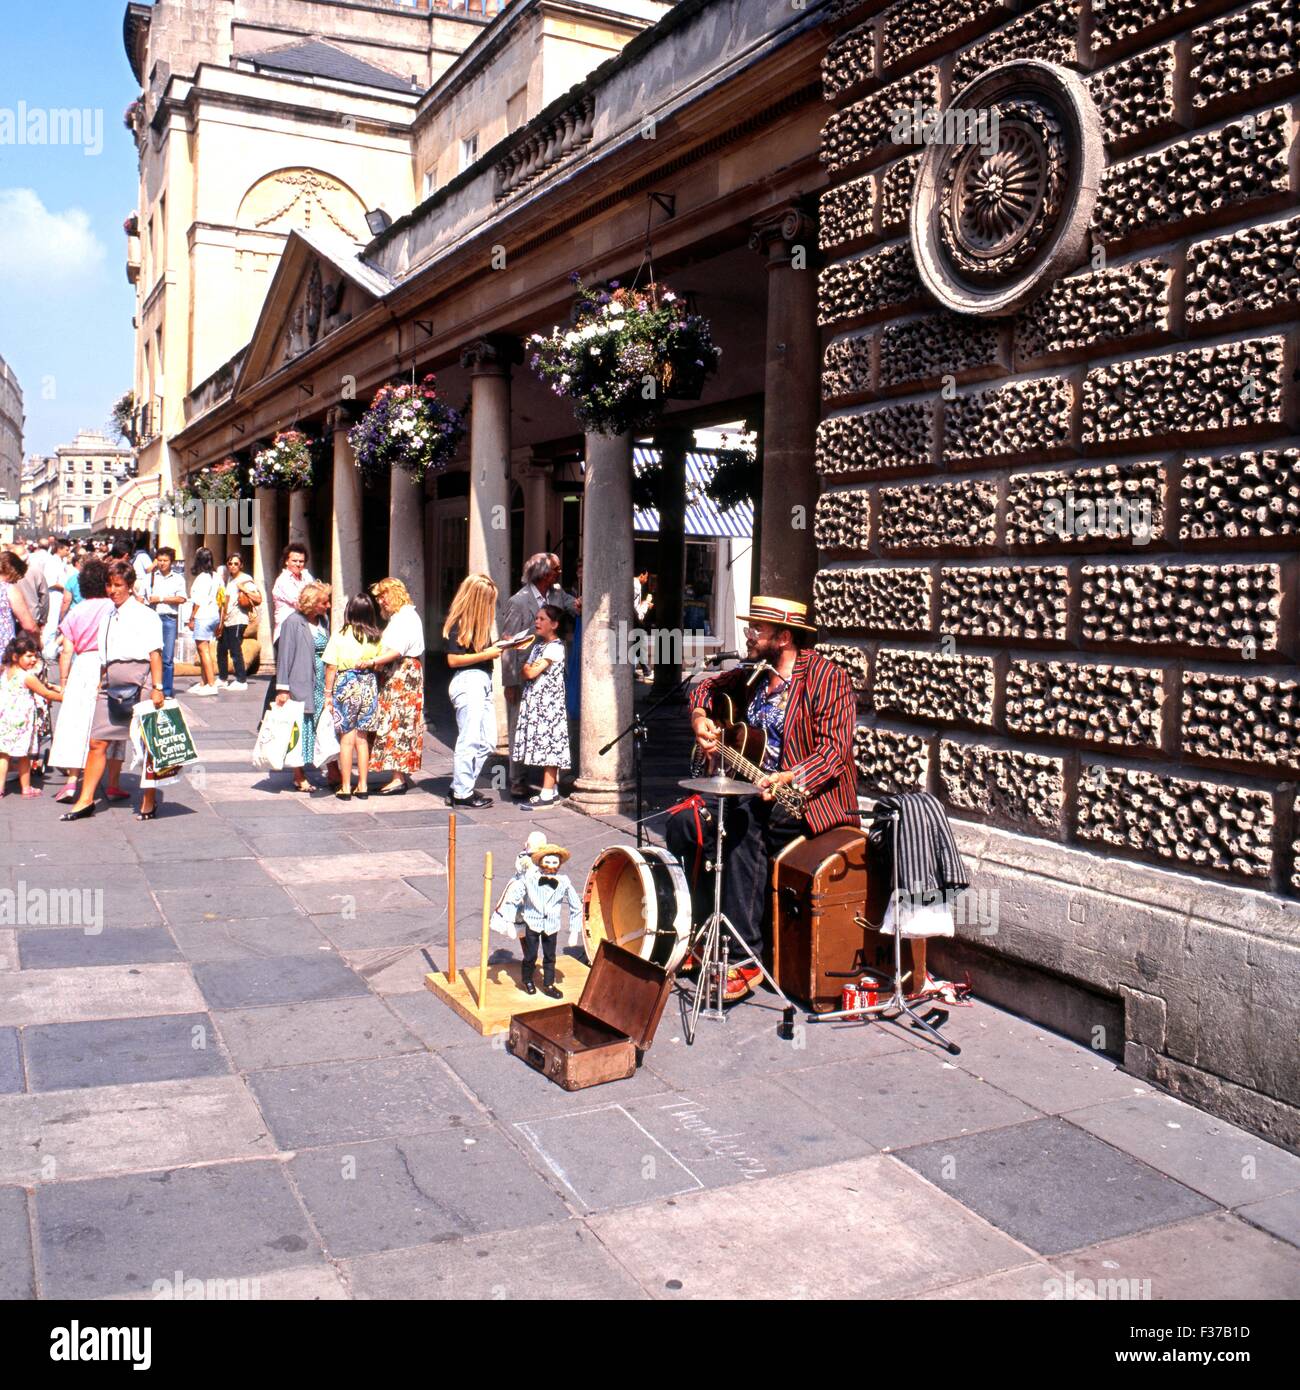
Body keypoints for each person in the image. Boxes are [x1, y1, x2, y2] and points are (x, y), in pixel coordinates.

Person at [683, 596, 858, 1002]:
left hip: (810, 801)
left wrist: (792, 778)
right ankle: (700, 933)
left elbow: (836, 750)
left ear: (782, 637)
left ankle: (745, 960)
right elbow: (705, 688)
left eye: (756, 630)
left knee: (741, 825)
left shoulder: (826, 677)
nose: (748, 635)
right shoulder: (755, 675)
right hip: (754, 788)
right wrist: (700, 720)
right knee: (687, 822)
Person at [59, 559, 166, 822]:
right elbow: (105, 653)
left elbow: (155, 653)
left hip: (140, 679)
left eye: (118, 585)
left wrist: (158, 688)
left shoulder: (146, 614)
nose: (113, 590)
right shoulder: (107, 615)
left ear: (129, 585)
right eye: (109, 585)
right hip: (110, 681)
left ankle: (149, 799)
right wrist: (101, 679)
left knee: (147, 743)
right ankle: (86, 800)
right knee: (97, 741)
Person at [500, 552, 577, 798]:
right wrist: (510, 680)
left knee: (550, 724)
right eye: (556, 569)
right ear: (543, 572)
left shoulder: (556, 593)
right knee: (518, 724)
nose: (559, 573)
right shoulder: (519, 601)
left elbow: (573, 606)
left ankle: (552, 777)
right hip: (525, 669)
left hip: (550, 668)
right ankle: (517, 778)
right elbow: (508, 642)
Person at [49, 558, 116, 805]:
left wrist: (64, 681)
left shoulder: (76, 611)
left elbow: (66, 651)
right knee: (103, 723)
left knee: (76, 723)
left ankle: (70, 782)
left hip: (81, 667)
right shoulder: (112, 607)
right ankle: (109, 781)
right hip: (107, 666)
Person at [442, 573, 508, 809]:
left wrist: (500, 645)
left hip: (481, 682)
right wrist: (487, 654)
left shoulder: (478, 625)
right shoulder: (460, 622)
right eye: (489, 601)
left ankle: (461, 785)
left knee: (488, 741)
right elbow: (453, 660)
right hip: (469, 682)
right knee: (469, 740)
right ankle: (462, 793)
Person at [491, 841, 582, 998]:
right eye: (548, 861)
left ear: (559, 864)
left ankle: (549, 984)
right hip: (533, 923)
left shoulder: (564, 882)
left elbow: (576, 906)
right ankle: (527, 980)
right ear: (540, 862)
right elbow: (513, 899)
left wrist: (574, 930)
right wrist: (509, 921)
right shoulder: (529, 880)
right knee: (531, 955)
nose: (551, 865)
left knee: (550, 956)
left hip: (552, 926)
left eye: (555, 862)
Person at [367, 578, 426, 795]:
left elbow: (397, 650)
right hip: (400, 671)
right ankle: (397, 773)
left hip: (402, 672)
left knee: (398, 722)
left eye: (383, 596)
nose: (380, 601)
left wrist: (372, 662)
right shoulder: (401, 616)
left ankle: (398, 777)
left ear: (393, 594)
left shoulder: (404, 617)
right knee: (396, 721)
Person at [322, 592, 383, 801]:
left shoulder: (340, 635)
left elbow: (331, 666)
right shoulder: (376, 636)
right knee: (363, 739)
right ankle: (363, 785)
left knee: (346, 739)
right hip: (368, 684)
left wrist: (327, 694)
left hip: (345, 684)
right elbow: (381, 663)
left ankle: (346, 786)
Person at [272, 581, 332, 792]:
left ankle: (332, 770)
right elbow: (285, 656)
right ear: (313, 603)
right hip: (301, 681)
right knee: (301, 728)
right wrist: (282, 688)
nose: (328, 606)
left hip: (322, 681)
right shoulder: (292, 622)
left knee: (323, 726)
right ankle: (299, 774)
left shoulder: (323, 620)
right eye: (324, 602)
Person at [513, 602, 572, 809]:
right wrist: (528, 667)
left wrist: (528, 667)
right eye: (536, 618)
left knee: (550, 746)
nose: (536, 622)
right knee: (542, 744)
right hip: (537, 702)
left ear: (554, 624)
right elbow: (526, 670)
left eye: (542, 619)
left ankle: (547, 793)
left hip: (549, 705)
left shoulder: (556, 647)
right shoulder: (538, 646)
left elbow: (529, 672)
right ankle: (551, 789)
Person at [0, 634, 62, 796]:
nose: (33, 659)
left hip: (4, 719)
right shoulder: (27, 677)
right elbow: (46, 694)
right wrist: (66, 697)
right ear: (15, 656)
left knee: (3, 754)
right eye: (29, 656)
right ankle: (26, 788)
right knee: (24, 755)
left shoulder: (4, 672)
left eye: (35, 655)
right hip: (22, 721)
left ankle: (0, 788)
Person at [264, 543, 314, 712]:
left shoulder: (306, 576)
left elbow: (315, 594)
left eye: (301, 561)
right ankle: (268, 714)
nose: (298, 564)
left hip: (303, 631)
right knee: (283, 674)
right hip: (285, 633)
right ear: (286, 562)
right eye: (294, 561)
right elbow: (305, 603)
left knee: (293, 673)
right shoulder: (283, 581)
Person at [144, 547, 186, 697]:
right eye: (159, 560)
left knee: (167, 658)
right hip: (153, 618)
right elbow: (143, 597)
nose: (162, 563)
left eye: (165, 561)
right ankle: (152, 688)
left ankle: (167, 691)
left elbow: (181, 598)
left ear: (171, 562)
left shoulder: (178, 579)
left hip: (169, 618)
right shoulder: (150, 577)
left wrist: (160, 598)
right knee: (151, 655)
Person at [216, 552, 257, 692]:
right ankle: (222, 678)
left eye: (236, 563)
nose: (233, 566)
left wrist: (244, 588)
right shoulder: (229, 580)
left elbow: (258, 599)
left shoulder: (245, 579)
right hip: (227, 620)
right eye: (230, 563)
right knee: (221, 649)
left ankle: (241, 679)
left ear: (241, 565)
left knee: (235, 649)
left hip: (239, 619)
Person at [187, 547, 221, 694]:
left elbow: (197, 601)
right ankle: (204, 682)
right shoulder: (216, 576)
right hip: (214, 614)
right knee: (204, 650)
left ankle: (211, 684)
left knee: (203, 650)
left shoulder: (201, 578)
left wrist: (191, 618)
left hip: (203, 615)